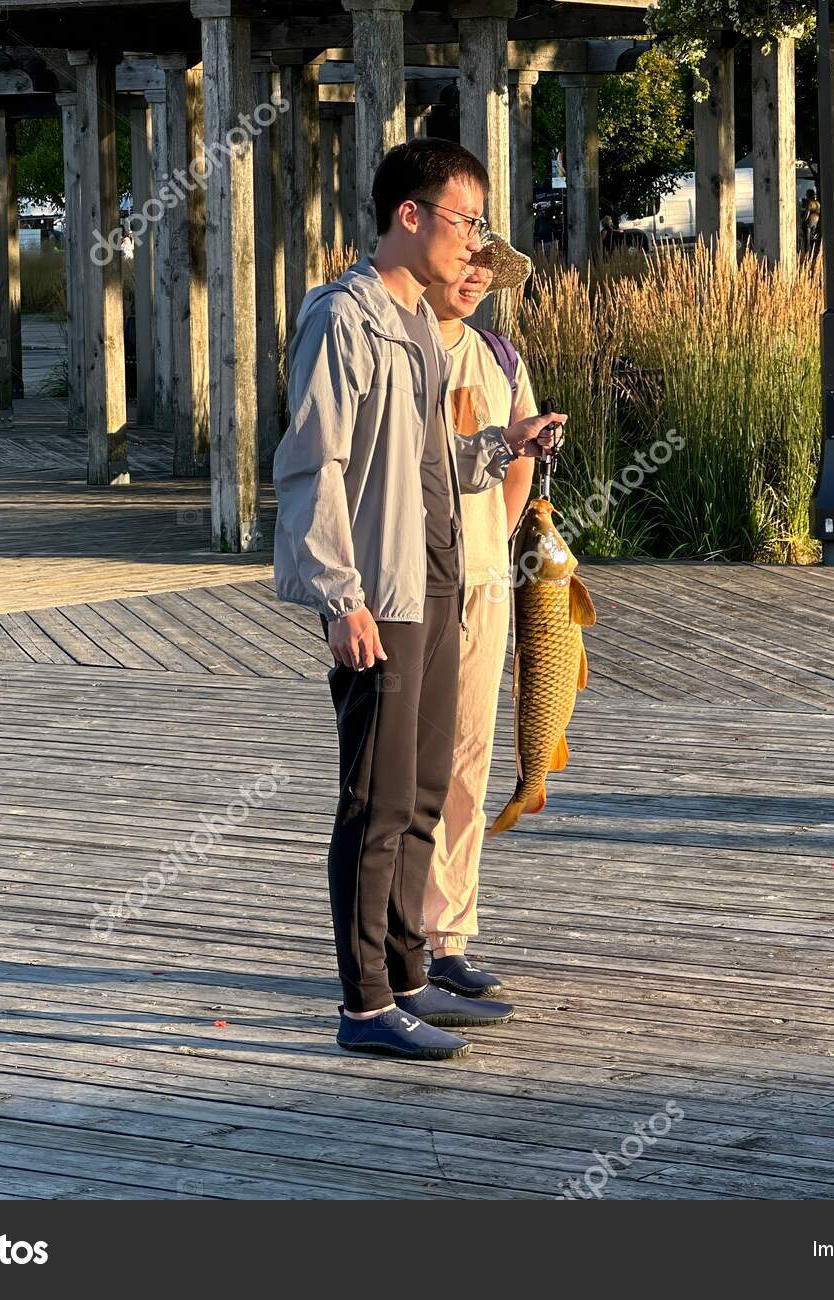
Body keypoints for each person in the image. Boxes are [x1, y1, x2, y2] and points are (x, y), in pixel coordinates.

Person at [272, 139, 567, 1062]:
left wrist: (504, 443)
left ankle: (409, 978)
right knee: (375, 800)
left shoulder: (423, 329)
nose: (474, 241)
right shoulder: (344, 318)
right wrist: (337, 596)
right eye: (465, 220)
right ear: (410, 215)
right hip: (382, 592)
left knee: (426, 792)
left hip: (443, 587)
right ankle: (364, 1005)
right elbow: (309, 464)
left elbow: (430, 464)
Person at [418, 234, 537, 1001]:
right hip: (410, 582)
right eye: (464, 260)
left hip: (486, 581)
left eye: (485, 267)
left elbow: (522, 453)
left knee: (468, 757)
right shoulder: (399, 343)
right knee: (402, 765)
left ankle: (448, 936)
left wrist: (494, 536)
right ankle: (390, 936)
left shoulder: (501, 355)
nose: (474, 275)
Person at [801, 187, 821, 258]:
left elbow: (807, 215)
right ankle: (813, 254)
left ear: (808, 195)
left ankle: (807, 256)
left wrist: (802, 221)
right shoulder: (818, 203)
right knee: (812, 239)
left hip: (809, 223)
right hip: (815, 222)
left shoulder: (810, 203)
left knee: (807, 240)